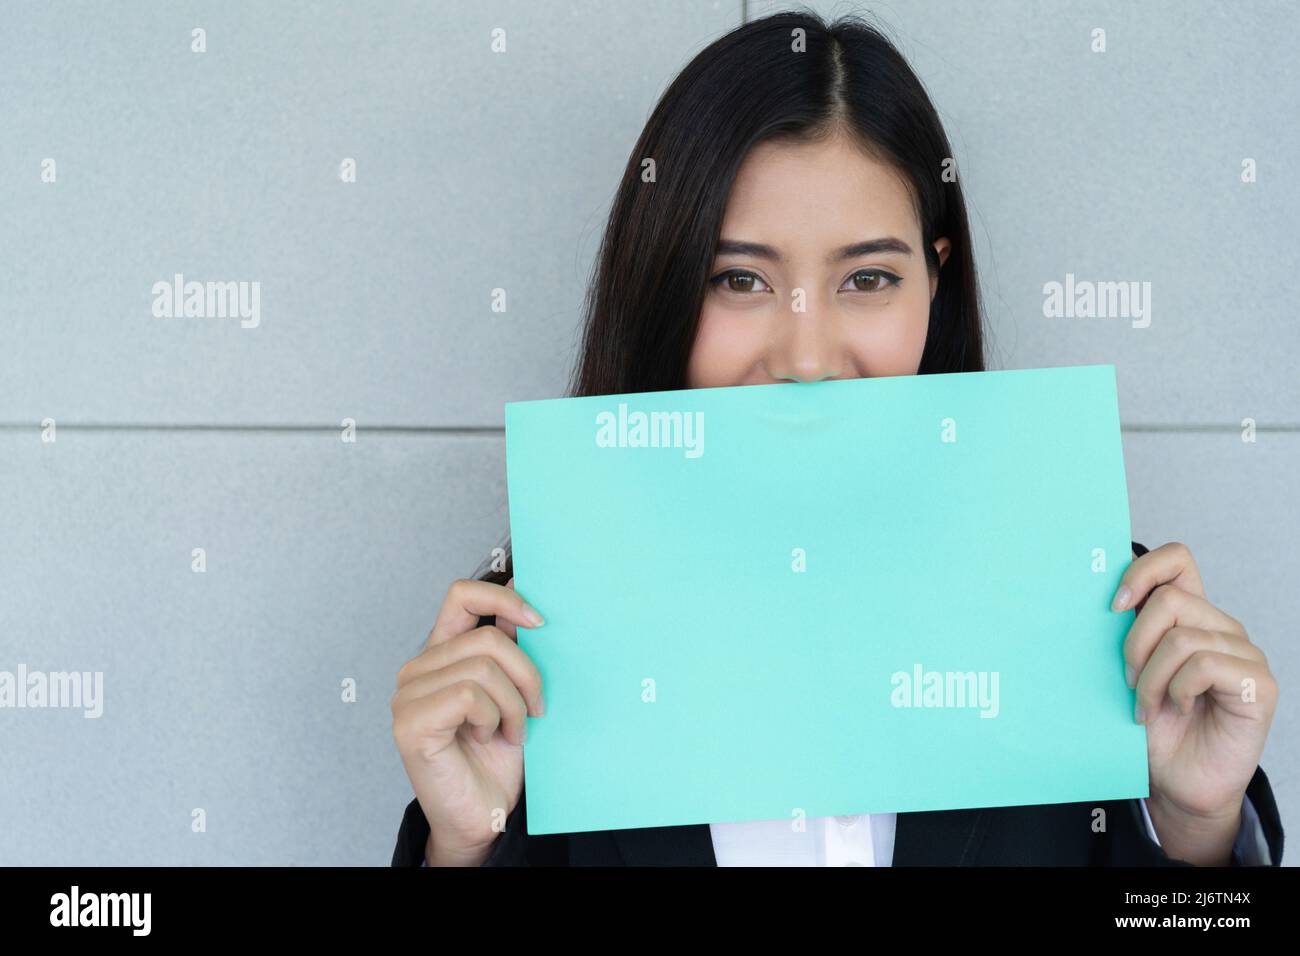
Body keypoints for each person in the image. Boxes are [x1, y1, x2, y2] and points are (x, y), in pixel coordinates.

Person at [389, 10, 1283, 866]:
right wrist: (466, 848)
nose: (808, 358)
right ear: (662, 286)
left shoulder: (1094, 610)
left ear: (934, 282)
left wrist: (1197, 828)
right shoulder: (532, 645)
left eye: (868, 278)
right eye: (740, 279)